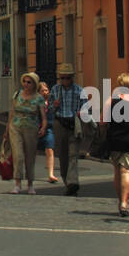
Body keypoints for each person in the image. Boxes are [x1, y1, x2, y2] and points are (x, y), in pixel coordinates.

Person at [104, 73, 129, 217]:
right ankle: (124, 203)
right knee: (127, 171)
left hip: (115, 139)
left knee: (117, 171)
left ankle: (120, 200)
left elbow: (103, 120)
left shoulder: (112, 100)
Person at [48, 62, 89, 196]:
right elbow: (49, 110)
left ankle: (73, 182)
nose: (65, 80)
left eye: (68, 78)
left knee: (73, 154)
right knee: (63, 156)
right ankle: (67, 181)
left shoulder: (79, 90)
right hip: (60, 124)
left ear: (72, 78)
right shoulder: (55, 90)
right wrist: (54, 105)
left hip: (74, 124)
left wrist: (81, 113)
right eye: (62, 78)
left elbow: (86, 107)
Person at [7, 71, 47, 195]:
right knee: (18, 156)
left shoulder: (38, 98)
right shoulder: (17, 94)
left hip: (31, 128)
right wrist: (6, 129)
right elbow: (12, 112)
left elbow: (43, 116)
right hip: (16, 127)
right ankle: (17, 183)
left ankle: (30, 184)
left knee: (30, 157)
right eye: (24, 81)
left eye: (29, 82)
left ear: (34, 84)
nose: (26, 84)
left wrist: (43, 128)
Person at [37, 81, 58, 182]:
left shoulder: (51, 103)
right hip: (35, 129)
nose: (45, 92)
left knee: (49, 149)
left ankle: (51, 174)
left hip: (49, 129)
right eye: (42, 91)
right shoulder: (35, 103)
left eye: (46, 90)